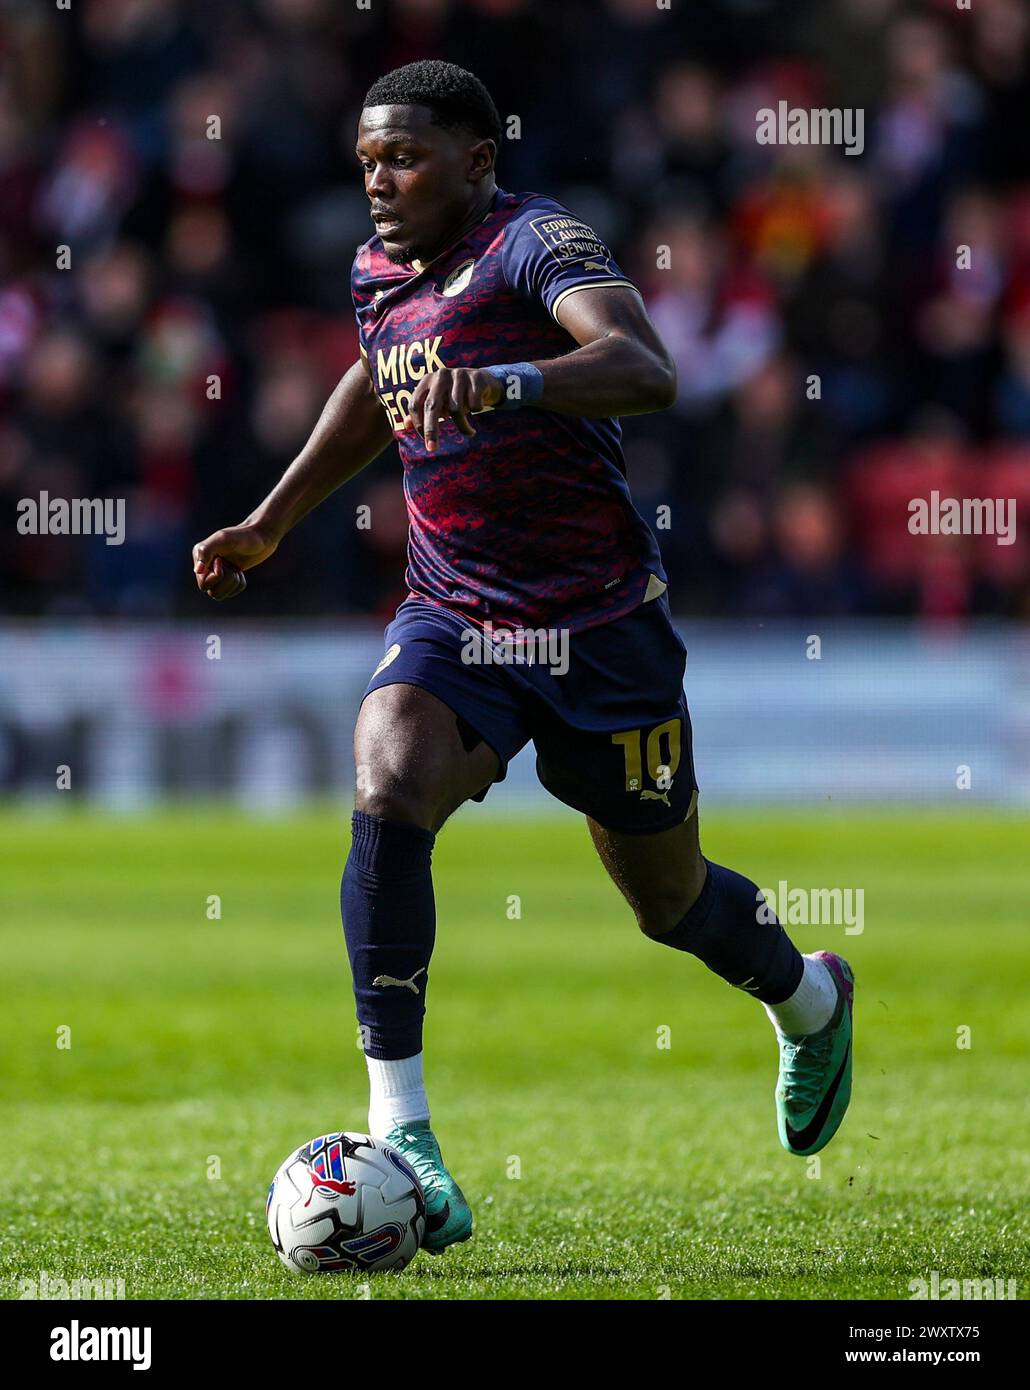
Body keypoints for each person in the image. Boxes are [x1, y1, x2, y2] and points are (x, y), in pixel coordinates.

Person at [192, 60, 854, 1257]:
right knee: (388, 779)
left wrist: (508, 382)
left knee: (669, 902)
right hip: (457, 617)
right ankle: (407, 1130)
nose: (378, 183)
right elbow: (372, 378)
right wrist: (276, 517)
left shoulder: (537, 243)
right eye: (365, 164)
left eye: (402, 158)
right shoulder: (375, 273)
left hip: (600, 627)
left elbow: (645, 367)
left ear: (477, 161)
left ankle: (809, 1001)